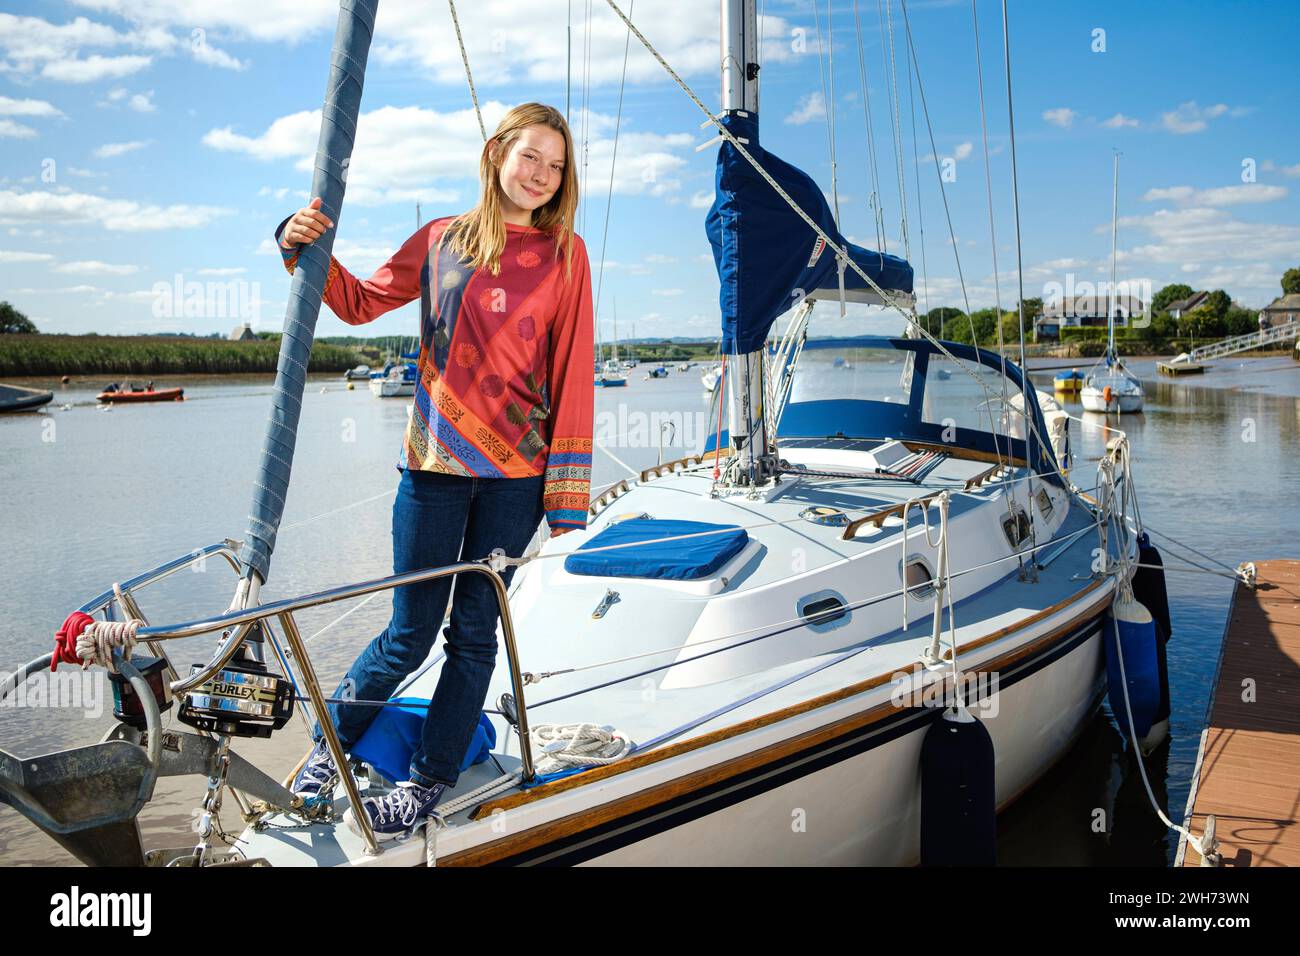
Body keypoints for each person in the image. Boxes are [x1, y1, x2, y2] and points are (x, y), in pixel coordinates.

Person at [273, 102, 593, 839]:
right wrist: (299, 247)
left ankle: (428, 782)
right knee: (408, 630)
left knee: (475, 634)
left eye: (555, 165)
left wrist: (564, 497)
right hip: (433, 466)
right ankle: (331, 748)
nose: (542, 174)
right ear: (497, 154)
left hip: (516, 482)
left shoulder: (565, 257)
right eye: (530, 157)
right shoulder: (442, 239)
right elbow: (357, 304)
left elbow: (576, 371)